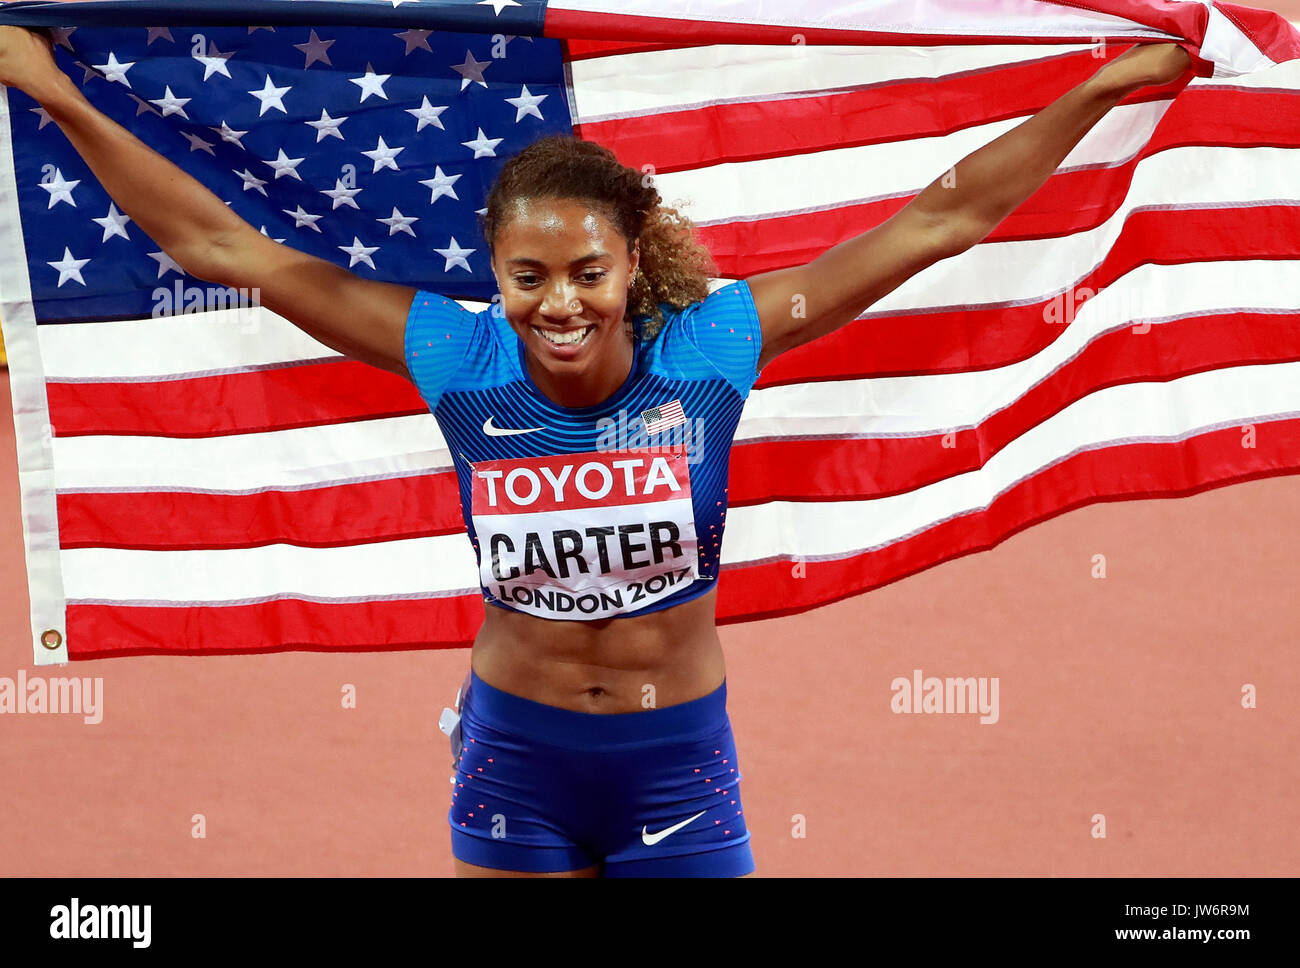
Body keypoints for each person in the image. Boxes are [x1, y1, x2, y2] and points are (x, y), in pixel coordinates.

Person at [0, 25, 1191, 877]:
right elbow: (227, 246)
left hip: (675, 755)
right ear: (495, 276)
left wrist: (1099, 89)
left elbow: (940, 219)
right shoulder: (452, 353)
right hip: (516, 749)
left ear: (632, 261)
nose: (558, 304)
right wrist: (60, 97)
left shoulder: (713, 347)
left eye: (585, 272)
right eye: (528, 277)